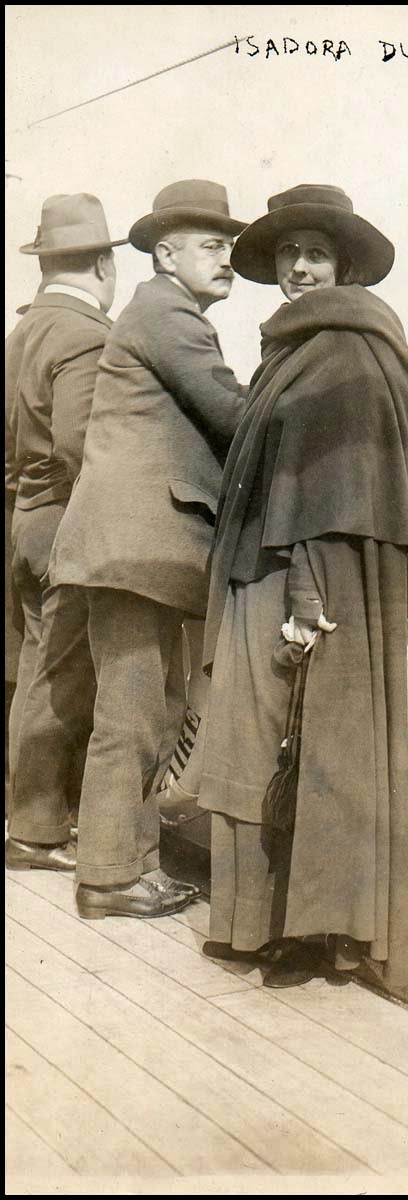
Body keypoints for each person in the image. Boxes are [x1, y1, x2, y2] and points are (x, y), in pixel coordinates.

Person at [197, 184, 408, 988]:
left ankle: (306, 929)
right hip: (272, 561)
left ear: (345, 264)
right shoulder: (291, 345)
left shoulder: (350, 345)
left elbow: (340, 481)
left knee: (312, 746)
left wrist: (304, 592)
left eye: (315, 254)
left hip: (313, 568)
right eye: (289, 254)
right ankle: (253, 927)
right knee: (251, 743)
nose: (299, 268)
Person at [47, 179, 248, 919]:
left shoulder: (159, 311)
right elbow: (232, 413)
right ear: (165, 255)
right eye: (211, 246)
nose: (227, 258)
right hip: (137, 549)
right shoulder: (170, 315)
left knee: (150, 710)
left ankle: (129, 866)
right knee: (132, 715)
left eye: (229, 246)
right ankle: (106, 877)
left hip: (129, 547)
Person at [5, 193, 125, 871]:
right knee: (63, 676)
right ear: (104, 265)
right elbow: (83, 447)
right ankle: (38, 830)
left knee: (36, 671)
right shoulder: (86, 334)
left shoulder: (22, 334)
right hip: (66, 527)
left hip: (26, 518)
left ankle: (33, 815)